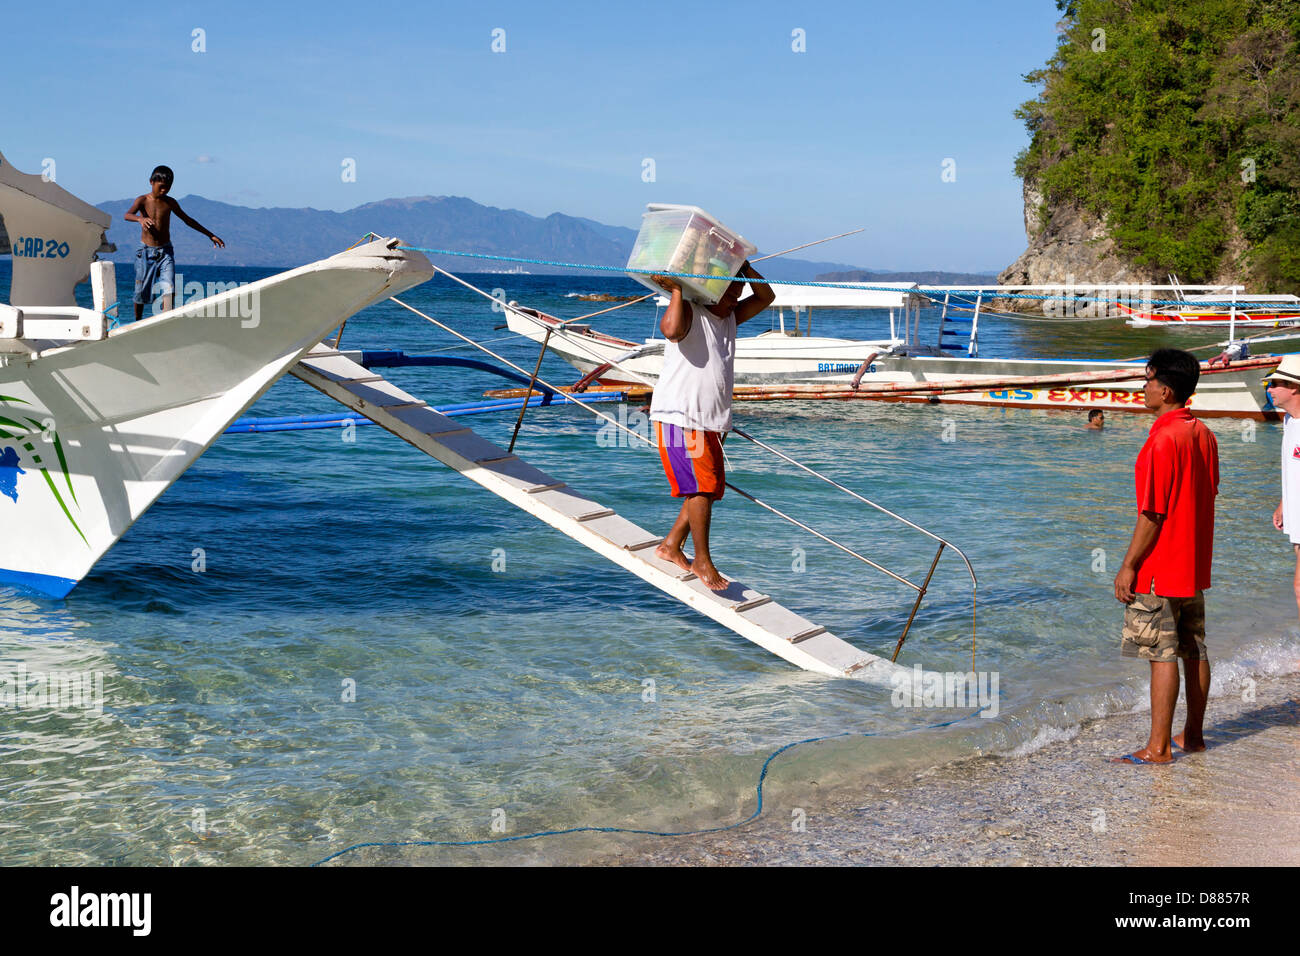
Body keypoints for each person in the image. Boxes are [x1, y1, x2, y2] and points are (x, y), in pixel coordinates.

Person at [1112, 348, 1218, 764]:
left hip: (1160, 567)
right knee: (1194, 649)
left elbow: (1153, 513)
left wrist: (1129, 565)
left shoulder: (1162, 438)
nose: (1144, 387)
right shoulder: (1203, 433)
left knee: (1161, 654)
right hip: (1192, 564)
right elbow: (1206, 493)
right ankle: (1192, 736)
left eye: (1149, 379)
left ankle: (1157, 748)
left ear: (1166, 389)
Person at [649, 261, 775, 590]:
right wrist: (677, 289)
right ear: (709, 290)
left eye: (737, 294)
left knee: (707, 487)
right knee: (700, 487)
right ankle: (702, 559)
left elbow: (766, 297)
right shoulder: (693, 310)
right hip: (681, 416)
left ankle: (671, 545)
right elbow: (671, 331)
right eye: (729, 293)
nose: (735, 299)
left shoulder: (729, 318)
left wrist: (743, 267)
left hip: (710, 419)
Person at [124, 165, 224, 320]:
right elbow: (127, 214)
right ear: (151, 182)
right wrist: (140, 219)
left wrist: (210, 235)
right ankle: (137, 321)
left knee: (169, 288)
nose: (164, 191)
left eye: (168, 187)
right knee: (141, 292)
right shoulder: (143, 200)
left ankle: (166, 319)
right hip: (145, 252)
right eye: (161, 187)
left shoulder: (170, 203)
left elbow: (188, 220)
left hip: (165, 252)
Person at [1266, 355, 1300, 623]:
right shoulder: (1289, 421)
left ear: (1295, 388)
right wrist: (1283, 503)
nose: (1269, 389)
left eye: (1275, 383)